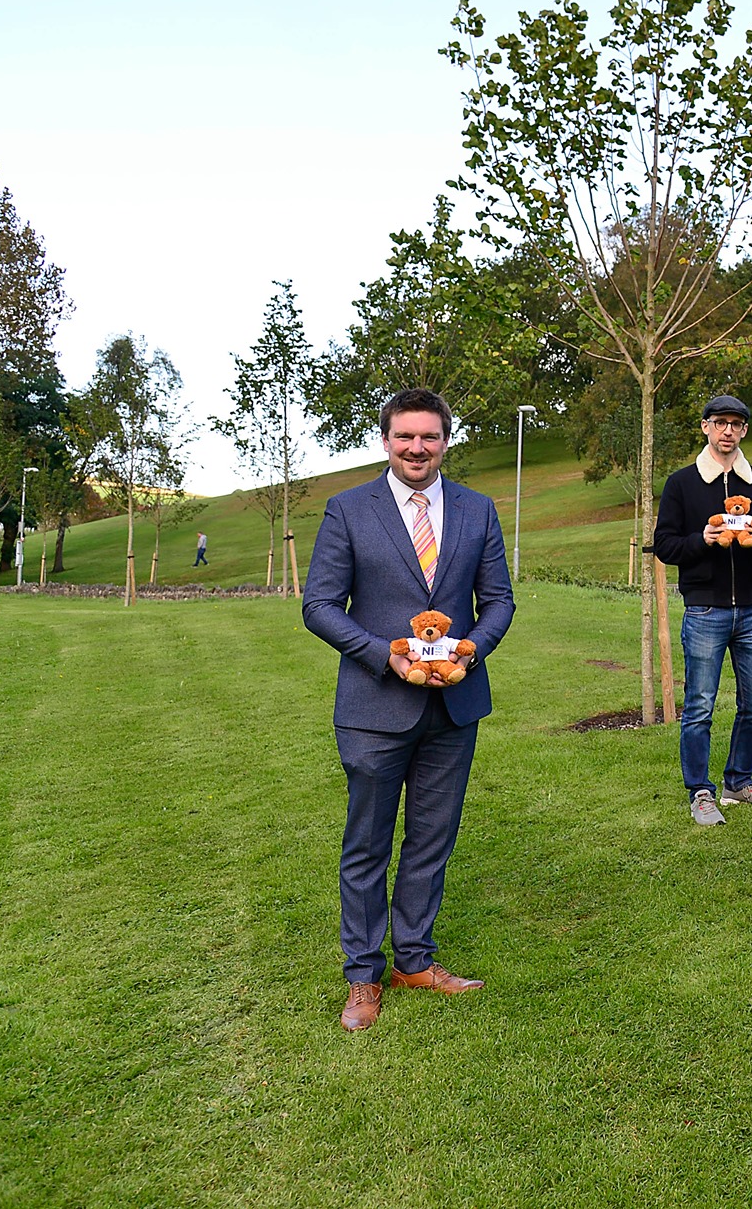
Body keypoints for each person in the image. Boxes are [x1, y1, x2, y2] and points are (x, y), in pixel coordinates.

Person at [302, 388, 515, 1033]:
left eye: (429, 437)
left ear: (446, 441)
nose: (417, 449)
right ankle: (363, 976)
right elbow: (318, 605)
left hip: (453, 707)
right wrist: (381, 655)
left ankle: (414, 960)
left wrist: (470, 651)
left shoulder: (477, 510)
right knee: (367, 844)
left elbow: (499, 600)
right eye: (405, 437)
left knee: (431, 839)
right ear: (385, 440)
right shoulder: (348, 510)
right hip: (374, 706)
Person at [651, 394, 752, 827]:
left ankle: (738, 781)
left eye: (736, 423)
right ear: (705, 427)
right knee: (699, 706)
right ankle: (700, 792)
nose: (728, 430)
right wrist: (703, 541)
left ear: (745, 430)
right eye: (719, 422)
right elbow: (665, 545)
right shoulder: (682, 484)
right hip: (704, 612)